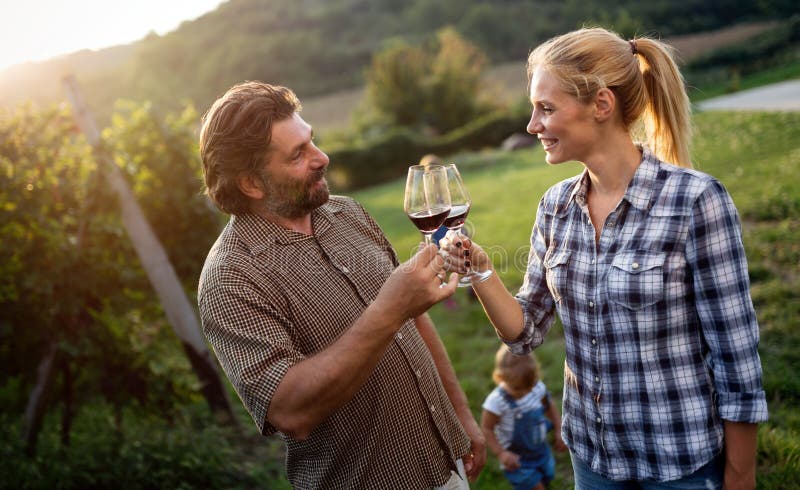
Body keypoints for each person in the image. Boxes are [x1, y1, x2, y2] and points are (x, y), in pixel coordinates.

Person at [441, 27, 767, 489]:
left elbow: (737, 359)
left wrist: (740, 474)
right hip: (594, 461)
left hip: (680, 464)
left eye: (546, 108)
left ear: (601, 105)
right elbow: (524, 331)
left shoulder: (696, 201)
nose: (533, 125)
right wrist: (481, 270)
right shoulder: (554, 206)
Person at [196, 81, 486, 489]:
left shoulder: (347, 213)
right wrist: (389, 310)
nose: (322, 157)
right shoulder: (231, 278)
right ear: (251, 183)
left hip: (446, 466)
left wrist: (462, 415)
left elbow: (415, 322)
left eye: (311, 141)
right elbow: (291, 412)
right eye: (298, 154)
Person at [482, 345, 566, 490]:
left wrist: (559, 429)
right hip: (517, 460)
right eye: (517, 389)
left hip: (541, 450)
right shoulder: (496, 402)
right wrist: (501, 453)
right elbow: (486, 428)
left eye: (529, 386)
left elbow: (549, 406)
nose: (525, 392)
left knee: (547, 476)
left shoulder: (537, 388)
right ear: (500, 377)